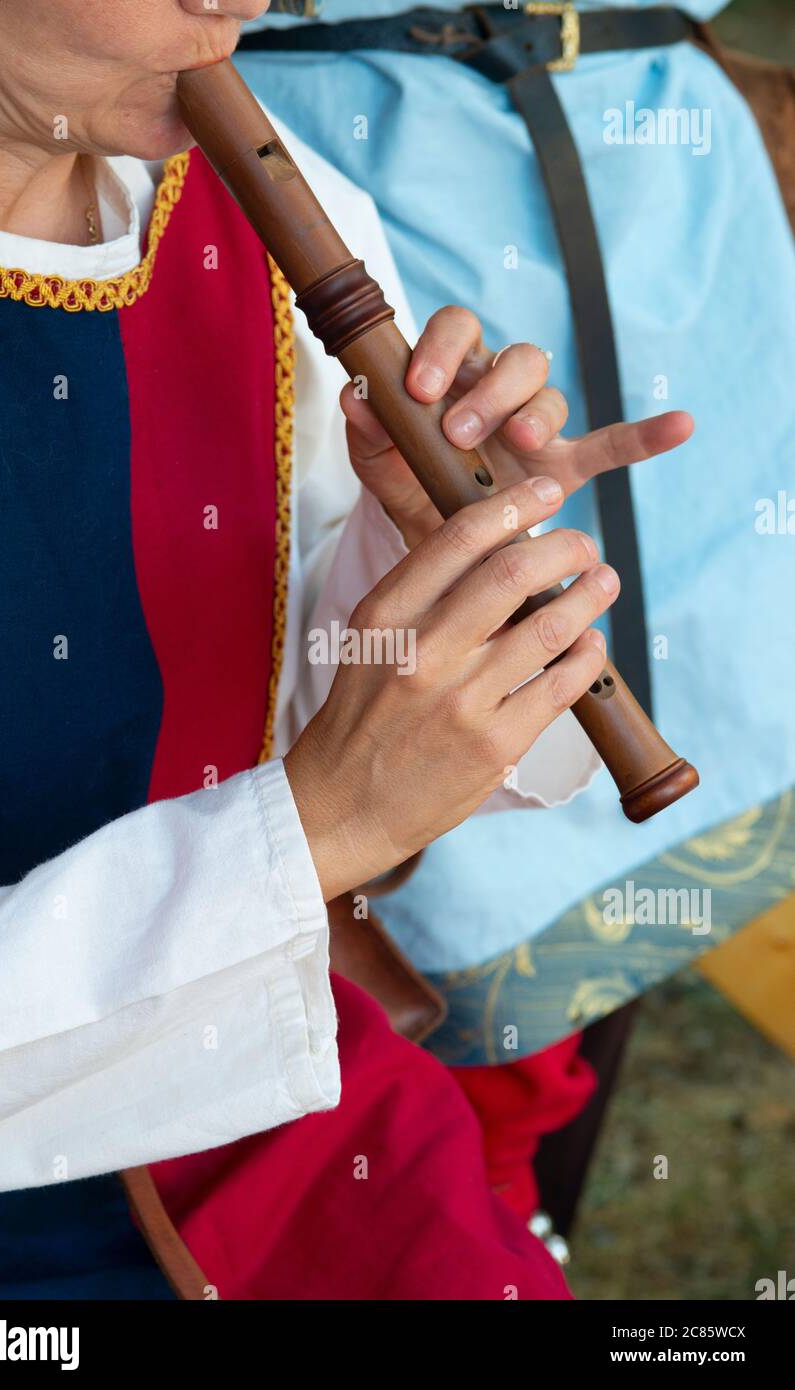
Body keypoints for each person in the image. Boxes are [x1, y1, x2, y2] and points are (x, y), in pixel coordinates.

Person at [0, 0, 692, 1299]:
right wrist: (315, 825)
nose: (250, 2)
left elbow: (280, 723)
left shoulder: (271, 207)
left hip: (252, 1091)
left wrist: (423, 566)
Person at [236, 0, 795, 1228]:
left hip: (658, 159)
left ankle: (530, 1202)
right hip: (372, 158)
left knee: (687, 729)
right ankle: (457, 1195)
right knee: (440, 746)